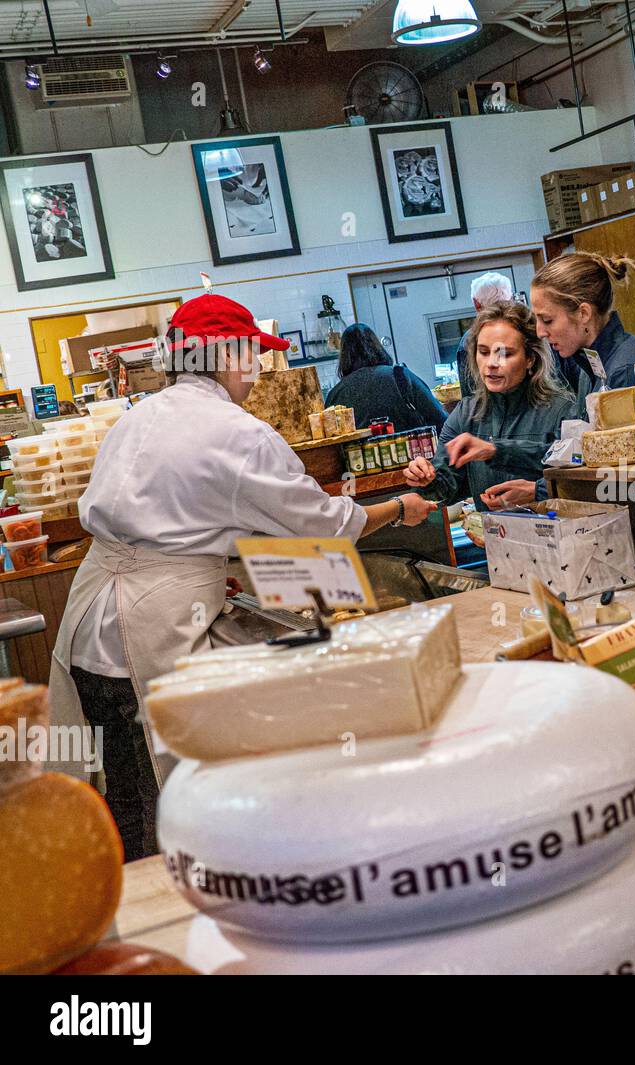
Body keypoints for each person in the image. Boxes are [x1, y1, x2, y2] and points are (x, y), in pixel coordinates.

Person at [49, 293, 437, 862]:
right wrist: (400, 508)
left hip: (89, 620)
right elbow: (325, 527)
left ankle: (128, 908)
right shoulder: (239, 433)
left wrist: (204, 573)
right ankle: (168, 916)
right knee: (163, 801)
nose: (257, 372)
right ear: (229, 358)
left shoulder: (135, 419)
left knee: (116, 794)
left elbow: (170, 524)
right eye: (254, 356)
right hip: (143, 637)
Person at [403, 301, 577, 513]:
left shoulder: (562, 410)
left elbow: (577, 482)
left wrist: (538, 491)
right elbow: (447, 489)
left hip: (556, 539)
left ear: (530, 358)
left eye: (504, 354)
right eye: (483, 352)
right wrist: (425, 478)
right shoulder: (466, 414)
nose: (491, 363)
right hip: (495, 541)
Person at [530, 252, 635, 402]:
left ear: (583, 313)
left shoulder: (625, 371)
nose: (540, 332)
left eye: (547, 320)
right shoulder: (589, 363)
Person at [326, 323, 446, 434]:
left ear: (343, 356)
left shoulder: (335, 395)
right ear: (377, 346)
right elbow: (439, 418)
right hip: (414, 453)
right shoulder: (399, 375)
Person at [454, 272, 515, 399]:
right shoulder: (535, 330)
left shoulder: (469, 342)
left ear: (476, 304)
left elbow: (471, 398)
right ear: (511, 299)